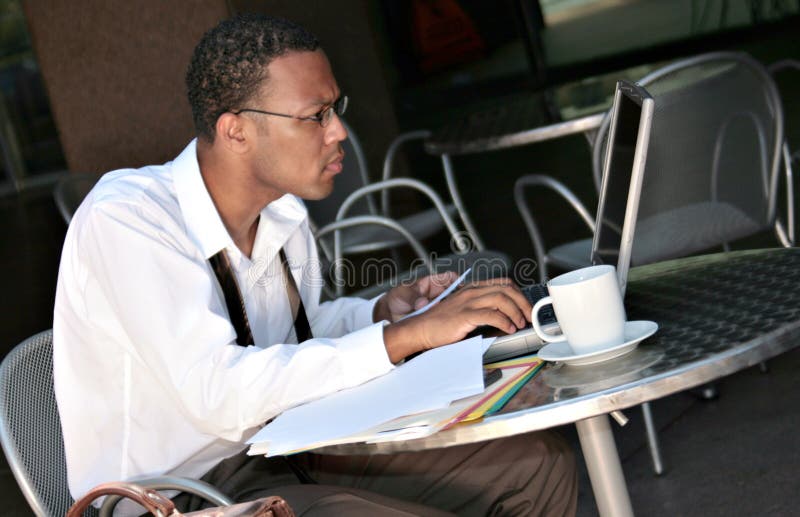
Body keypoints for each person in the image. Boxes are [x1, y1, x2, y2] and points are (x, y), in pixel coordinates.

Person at [53, 14, 577, 516]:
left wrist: (381, 315)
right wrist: (407, 337)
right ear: (236, 131)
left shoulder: (282, 214)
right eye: (315, 115)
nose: (339, 132)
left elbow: (295, 340)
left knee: (537, 467)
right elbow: (219, 393)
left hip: (284, 447)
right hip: (178, 498)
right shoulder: (129, 220)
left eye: (335, 107)